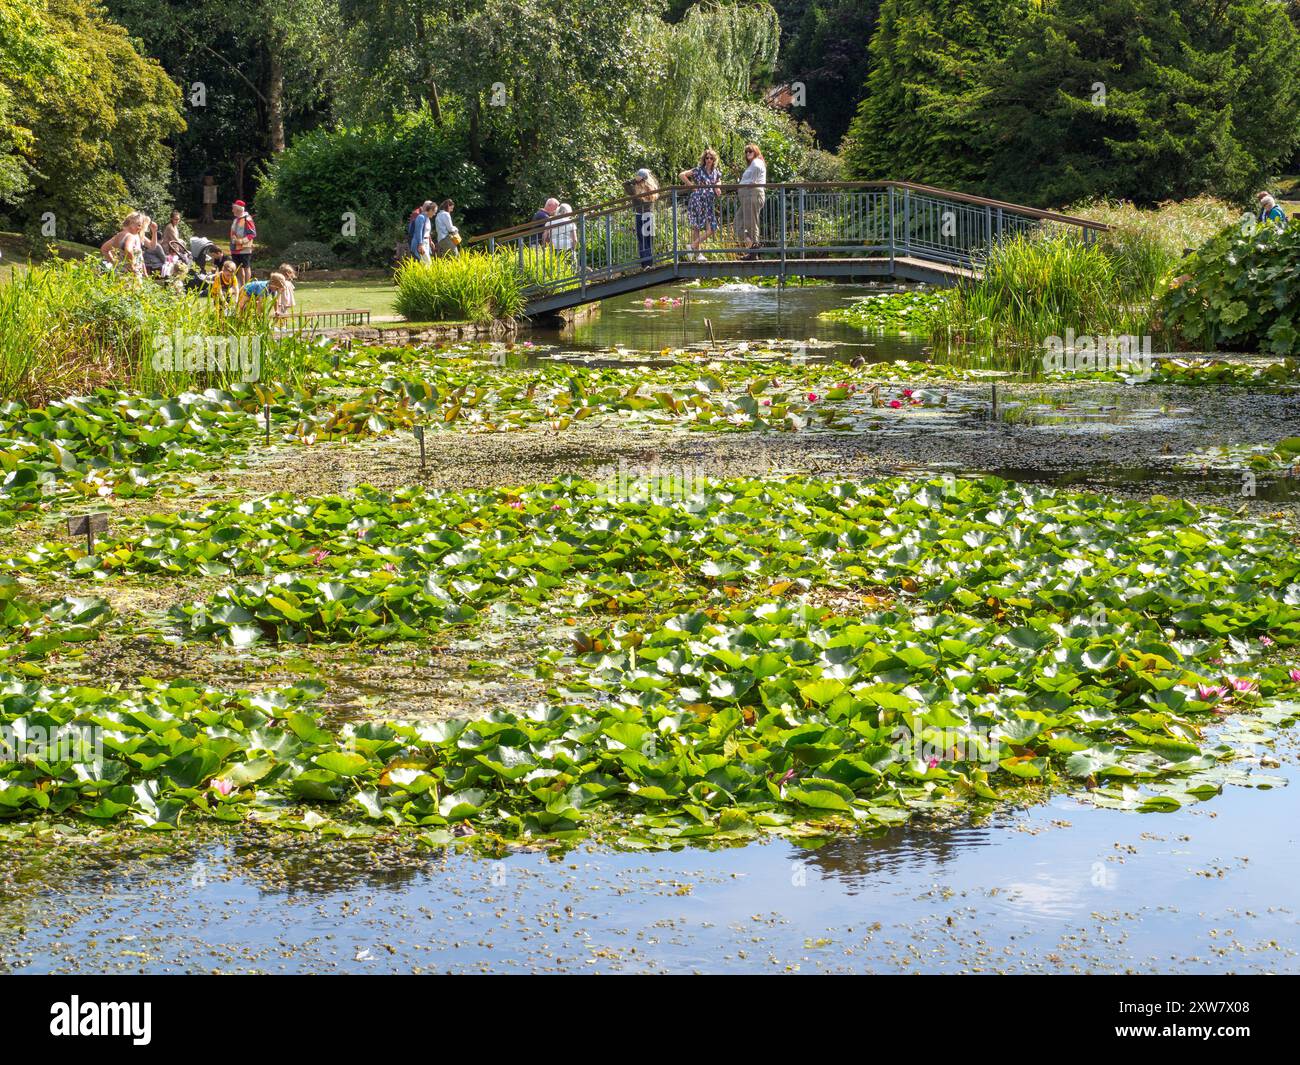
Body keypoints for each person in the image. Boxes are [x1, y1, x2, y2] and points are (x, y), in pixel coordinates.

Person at [679, 148, 722, 261]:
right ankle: (698, 255)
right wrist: (691, 186)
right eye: (706, 158)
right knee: (696, 227)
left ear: (714, 160)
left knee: (712, 228)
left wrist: (717, 186)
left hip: (709, 202)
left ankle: (692, 246)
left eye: (711, 158)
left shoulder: (716, 171)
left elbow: (718, 180)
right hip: (697, 200)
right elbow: (682, 175)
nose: (708, 160)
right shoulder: (698, 170)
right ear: (704, 159)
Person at [100, 211, 158, 280]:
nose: (140, 228)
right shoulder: (130, 236)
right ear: (131, 223)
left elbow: (104, 249)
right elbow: (128, 250)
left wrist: (114, 263)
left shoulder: (119, 235)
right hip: (130, 277)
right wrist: (132, 267)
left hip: (118, 274)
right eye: (139, 225)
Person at [736, 143, 766, 260]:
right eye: (746, 152)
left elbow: (758, 169)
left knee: (752, 224)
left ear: (756, 152)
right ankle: (753, 247)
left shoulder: (757, 162)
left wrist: (753, 181)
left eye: (750, 151)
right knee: (738, 222)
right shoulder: (752, 164)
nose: (748, 153)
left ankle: (754, 252)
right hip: (746, 196)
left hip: (752, 194)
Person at [626, 169, 659, 267]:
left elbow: (626, 185)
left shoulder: (649, 188)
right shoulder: (636, 188)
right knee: (645, 241)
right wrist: (634, 180)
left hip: (645, 216)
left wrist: (634, 181)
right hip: (644, 216)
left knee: (645, 241)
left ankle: (646, 265)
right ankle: (647, 264)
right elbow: (625, 185)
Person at [229, 200, 257, 283]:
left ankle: (247, 286)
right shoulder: (235, 220)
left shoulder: (247, 219)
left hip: (244, 248)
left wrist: (241, 241)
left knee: (246, 267)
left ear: (238, 209)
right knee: (238, 268)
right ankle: (242, 287)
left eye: (233, 208)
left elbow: (252, 234)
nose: (232, 210)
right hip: (234, 248)